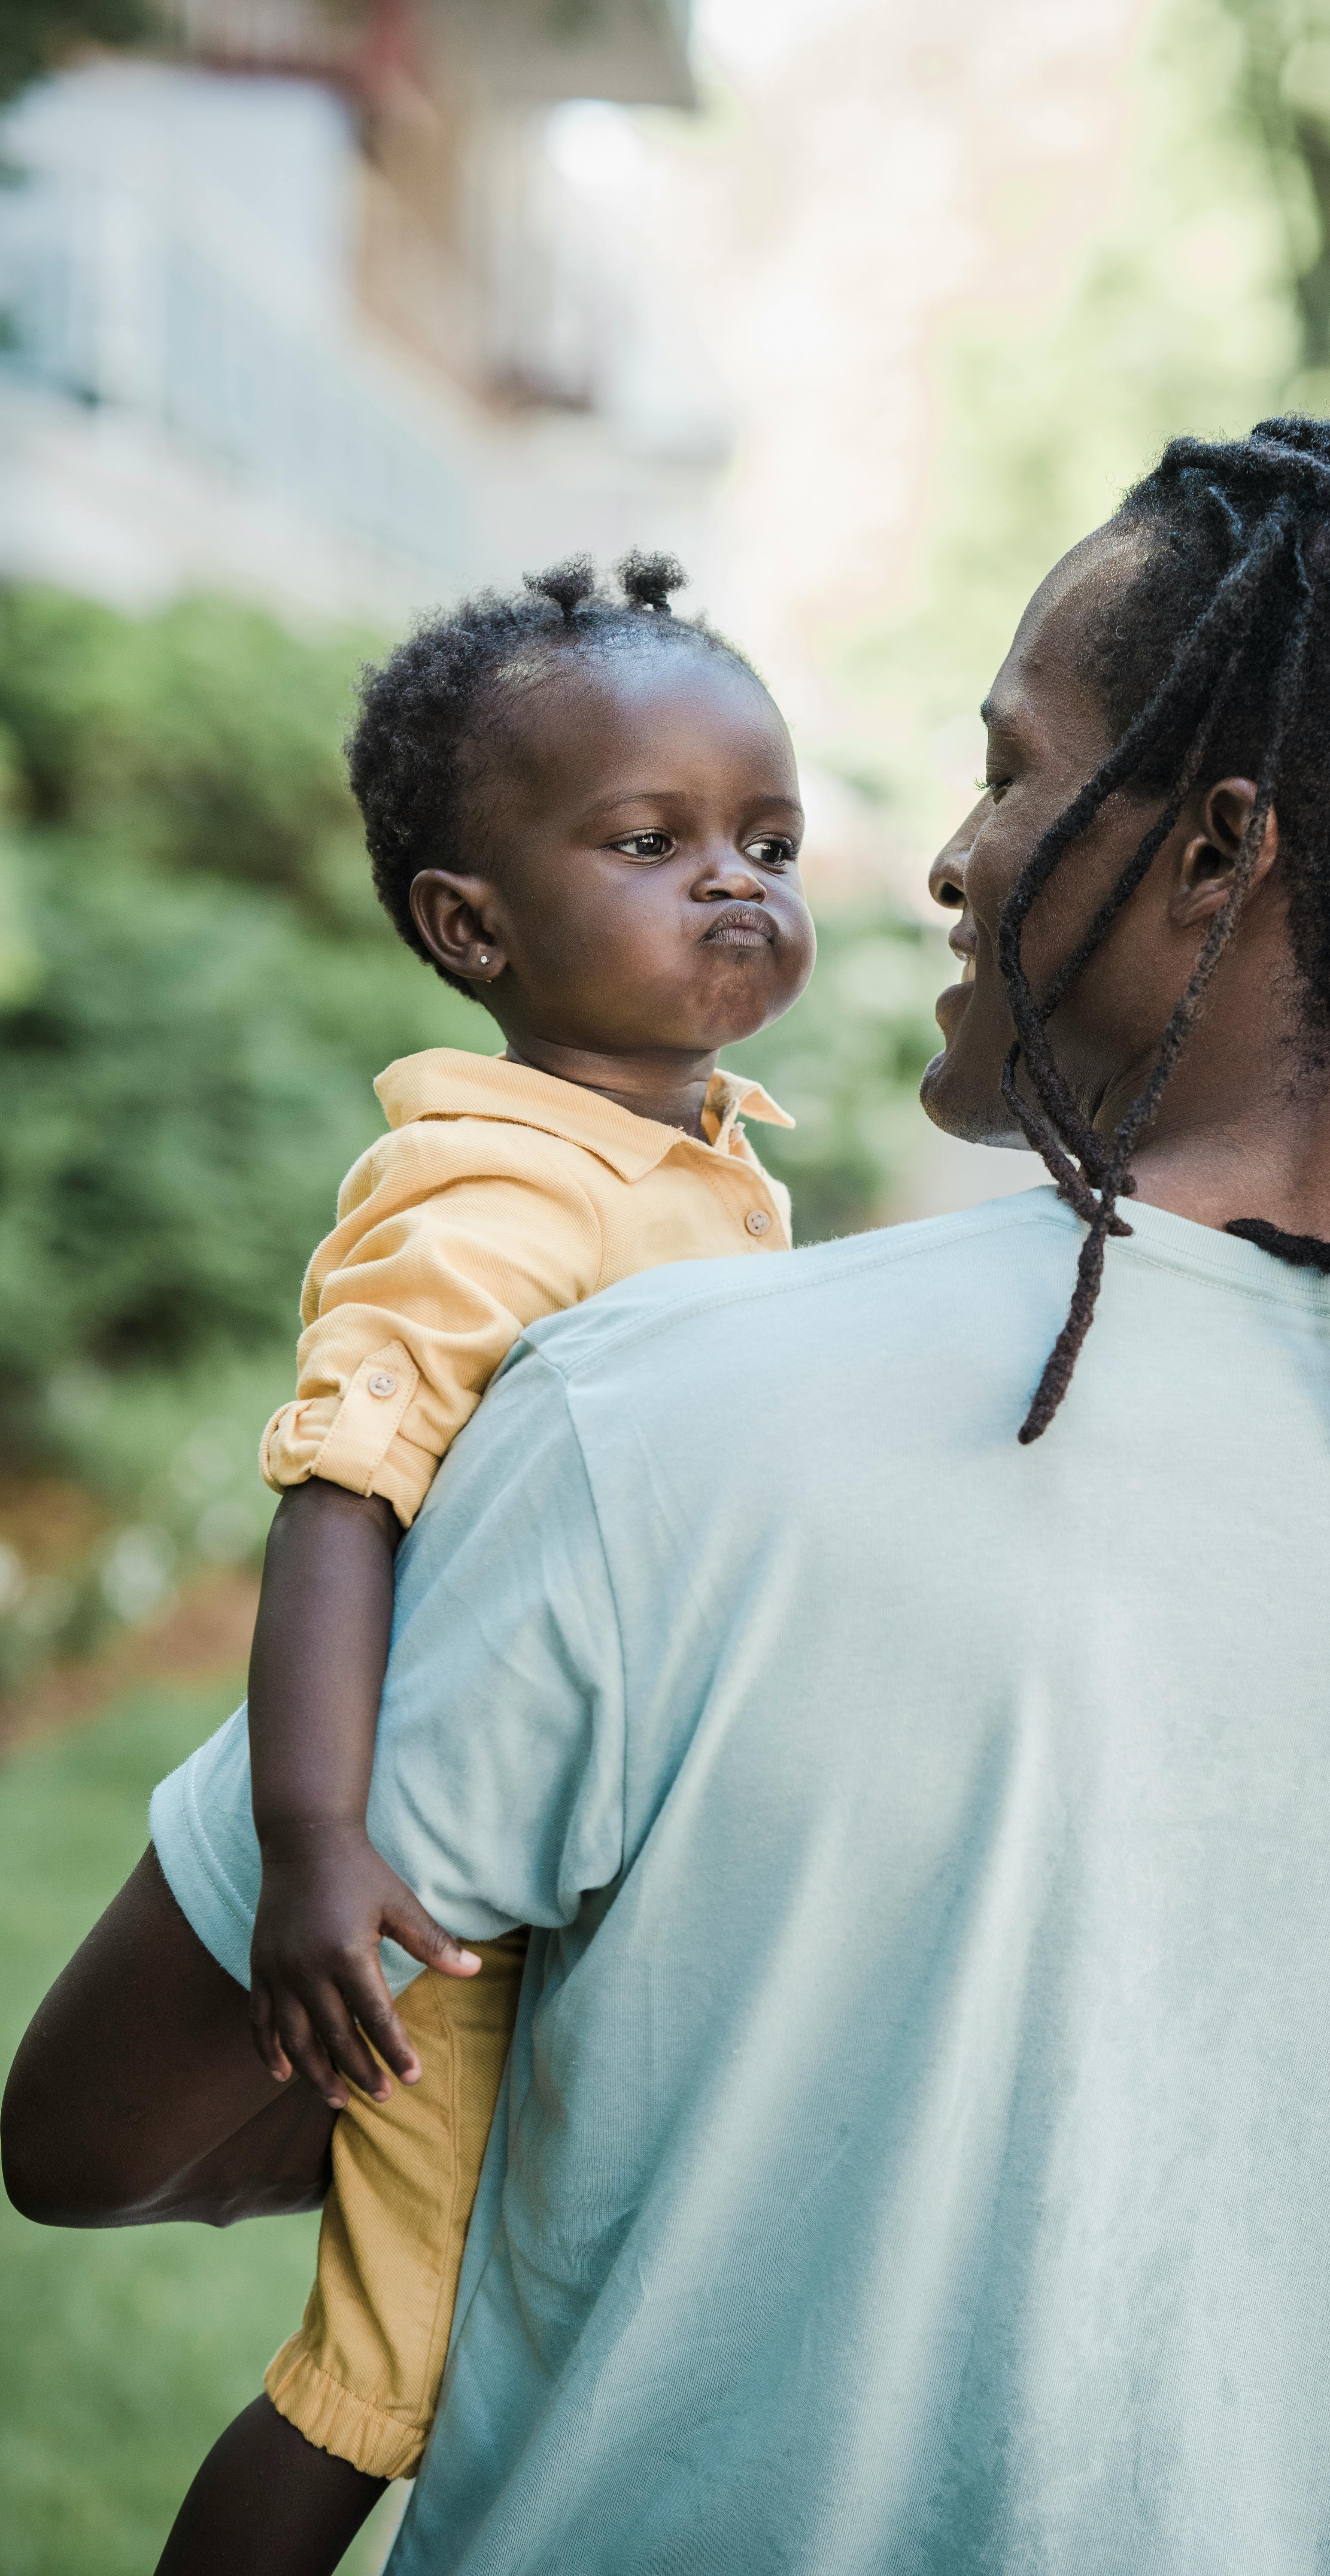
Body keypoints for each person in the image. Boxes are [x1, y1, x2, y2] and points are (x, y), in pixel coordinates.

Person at [8, 398, 1330, 2576]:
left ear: (1218, 852)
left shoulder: (656, 1419)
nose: (946, 859)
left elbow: (98, 2133)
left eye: (1012, 770)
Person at [144, 550, 815, 2570]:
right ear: (471, 923)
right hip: (447, 1902)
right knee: (387, 2366)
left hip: (602, 1841)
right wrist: (315, 1845)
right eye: (651, 841)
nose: (734, 878)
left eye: (769, 840)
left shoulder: (704, 1169)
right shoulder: (495, 1188)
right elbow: (339, 1501)